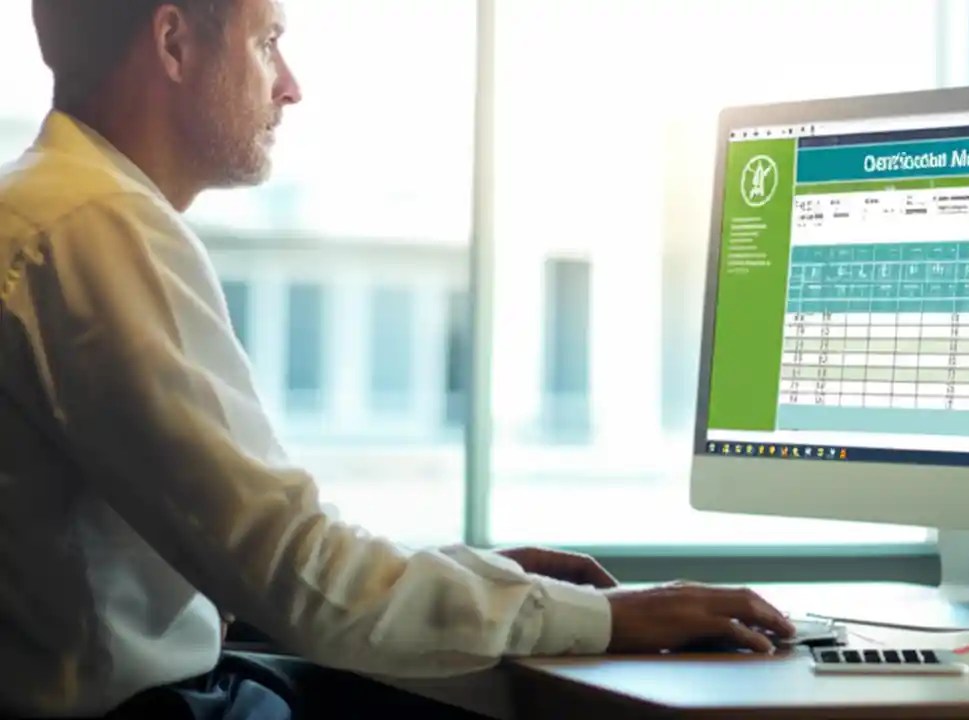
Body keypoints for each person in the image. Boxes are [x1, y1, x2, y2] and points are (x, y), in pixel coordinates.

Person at [0, 1, 797, 718]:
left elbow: (245, 555)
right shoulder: (94, 228)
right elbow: (297, 573)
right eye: (268, 42)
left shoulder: (54, 206)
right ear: (173, 43)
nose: (290, 86)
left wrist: (481, 587)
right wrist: (613, 617)